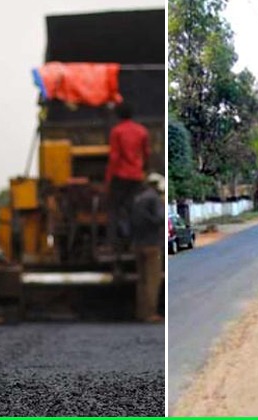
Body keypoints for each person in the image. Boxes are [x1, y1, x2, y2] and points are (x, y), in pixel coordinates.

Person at [104, 102, 149, 265]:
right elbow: (146, 154)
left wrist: (108, 180)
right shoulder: (142, 131)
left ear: (118, 115)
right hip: (136, 177)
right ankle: (134, 243)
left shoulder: (117, 131)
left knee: (114, 210)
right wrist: (143, 171)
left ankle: (113, 244)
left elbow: (114, 157)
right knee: (134, 210)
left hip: (120, 177)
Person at [130, 173, 164, 322]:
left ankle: (141, 312)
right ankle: (151, 313)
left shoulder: (137, 199)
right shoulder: (154, 199)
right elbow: (160, 218)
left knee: (142, 280)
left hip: (138, 244)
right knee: (153, 280)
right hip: (152, 245)